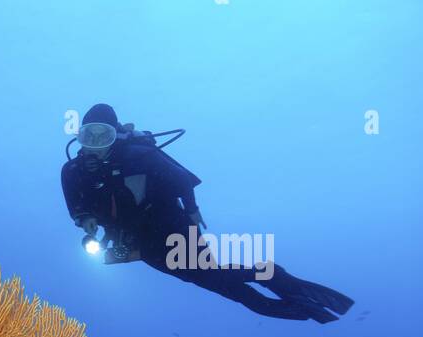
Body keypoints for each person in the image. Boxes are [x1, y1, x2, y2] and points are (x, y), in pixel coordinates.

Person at [61, 103, 354, 323]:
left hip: (171, 225)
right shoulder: (72, 171)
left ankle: (273, 283)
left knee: (211, 276)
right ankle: (273, 286)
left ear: (116, 134)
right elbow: (77, 204)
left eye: (104, 135)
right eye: (90, 136)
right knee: (203, 279)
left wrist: (192, 211)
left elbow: (182, 179)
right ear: (80, 136)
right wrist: (84, 220)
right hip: (136, 241)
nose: (96, 144)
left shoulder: (139, 155)